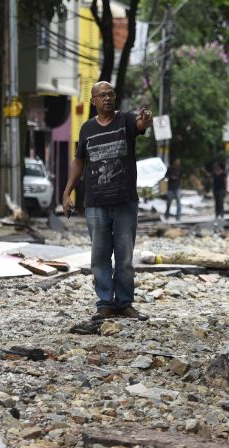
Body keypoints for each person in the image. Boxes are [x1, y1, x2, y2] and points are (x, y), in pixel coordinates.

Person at [61, 81, 153, 321]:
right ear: (93, 101)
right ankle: (104, 304)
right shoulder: (87, 129)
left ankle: (124, 304)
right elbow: (79, 161)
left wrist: (145, 121)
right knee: (99, 256)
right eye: (102, 95)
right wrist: (67, 191)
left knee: (124, 257)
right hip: (96, 203)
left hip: (124, 201)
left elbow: (139, 124)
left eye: (111, 94)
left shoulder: (125, 120)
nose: (108, 99)